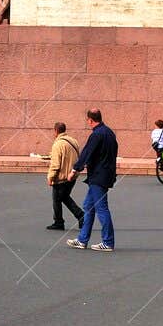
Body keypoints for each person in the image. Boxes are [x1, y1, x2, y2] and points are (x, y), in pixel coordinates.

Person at [67, 108, 118, 253]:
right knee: (88, 206)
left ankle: (108, 242)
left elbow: (87, 153)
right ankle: (82, 240)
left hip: (98, 176)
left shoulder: (96, 135)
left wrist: (75, 170)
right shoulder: (109, 133)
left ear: (90, 120)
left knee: (101, 208)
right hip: (105, 174)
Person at [46, 122, 84, 232]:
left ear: (56, 131)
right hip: (72, 174)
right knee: (64, 197)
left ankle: (60, 221)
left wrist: (51, 176)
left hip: (62, 176)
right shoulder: (73, 141)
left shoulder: (58, 144)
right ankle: (80, 216)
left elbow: (56, 164)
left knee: (57, 199)